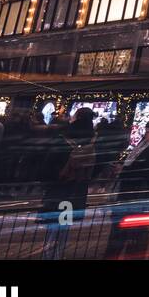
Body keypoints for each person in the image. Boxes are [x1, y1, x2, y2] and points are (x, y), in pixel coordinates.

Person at [105, 117, 149, 258]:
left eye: (148, 131)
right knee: (121, 226)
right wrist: (122, 167)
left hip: (142, 194)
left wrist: (124, 170)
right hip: (129, 192)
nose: (145, 134)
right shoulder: (144, 143)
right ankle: (114, 254)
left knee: (137, 230)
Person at [39, 109, 96, 259]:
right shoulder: (92, 139)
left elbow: (48, 163)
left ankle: (48, 255)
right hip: (76, 190)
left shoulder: (64, 136)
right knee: (64, 225)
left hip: (60, 186)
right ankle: (58, 254)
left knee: (53, 226)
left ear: (77, 117)